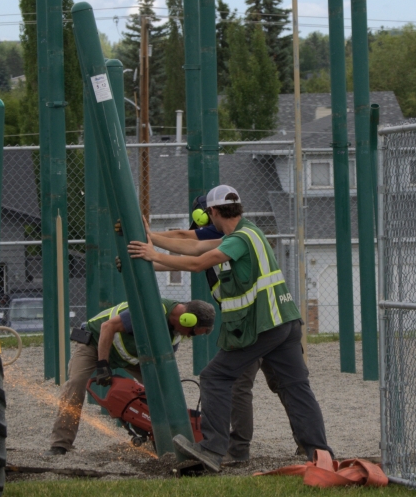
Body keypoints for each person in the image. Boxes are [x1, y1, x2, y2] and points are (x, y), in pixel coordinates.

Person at [128, 184, 332, 472]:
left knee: (215, 377)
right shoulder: (246, 233)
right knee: (296, 387)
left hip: (260, 325)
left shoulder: (238, 239)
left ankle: (212, 449)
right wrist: (151, 241)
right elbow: (194, 245)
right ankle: (319, 453)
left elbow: (198, 262)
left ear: (211, 212)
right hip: (285, 322)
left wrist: (154, 255)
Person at [146, 194, 287, 464]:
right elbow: (186, 248)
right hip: (263, 320)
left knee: (237, 384)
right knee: (285, 384)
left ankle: (231, 450)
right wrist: (147, 258)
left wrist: (150, 241)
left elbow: (188, 245)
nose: (198, 227)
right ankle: (311, 446)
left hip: (254, 322)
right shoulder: (233, 233)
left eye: (204, 218)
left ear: (212, 213)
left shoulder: (226, 236)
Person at [48, 298, 216, 456]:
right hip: (94, 342)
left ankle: (165, 439)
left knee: (163, 390)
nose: (188, 337)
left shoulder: (174, 334)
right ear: (187, 319)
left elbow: (162, 368)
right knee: (76, 384)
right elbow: (107, 327)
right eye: (193, 333)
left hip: (130, 357)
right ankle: (60, 444)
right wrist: (102, 365)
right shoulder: (151, 309)